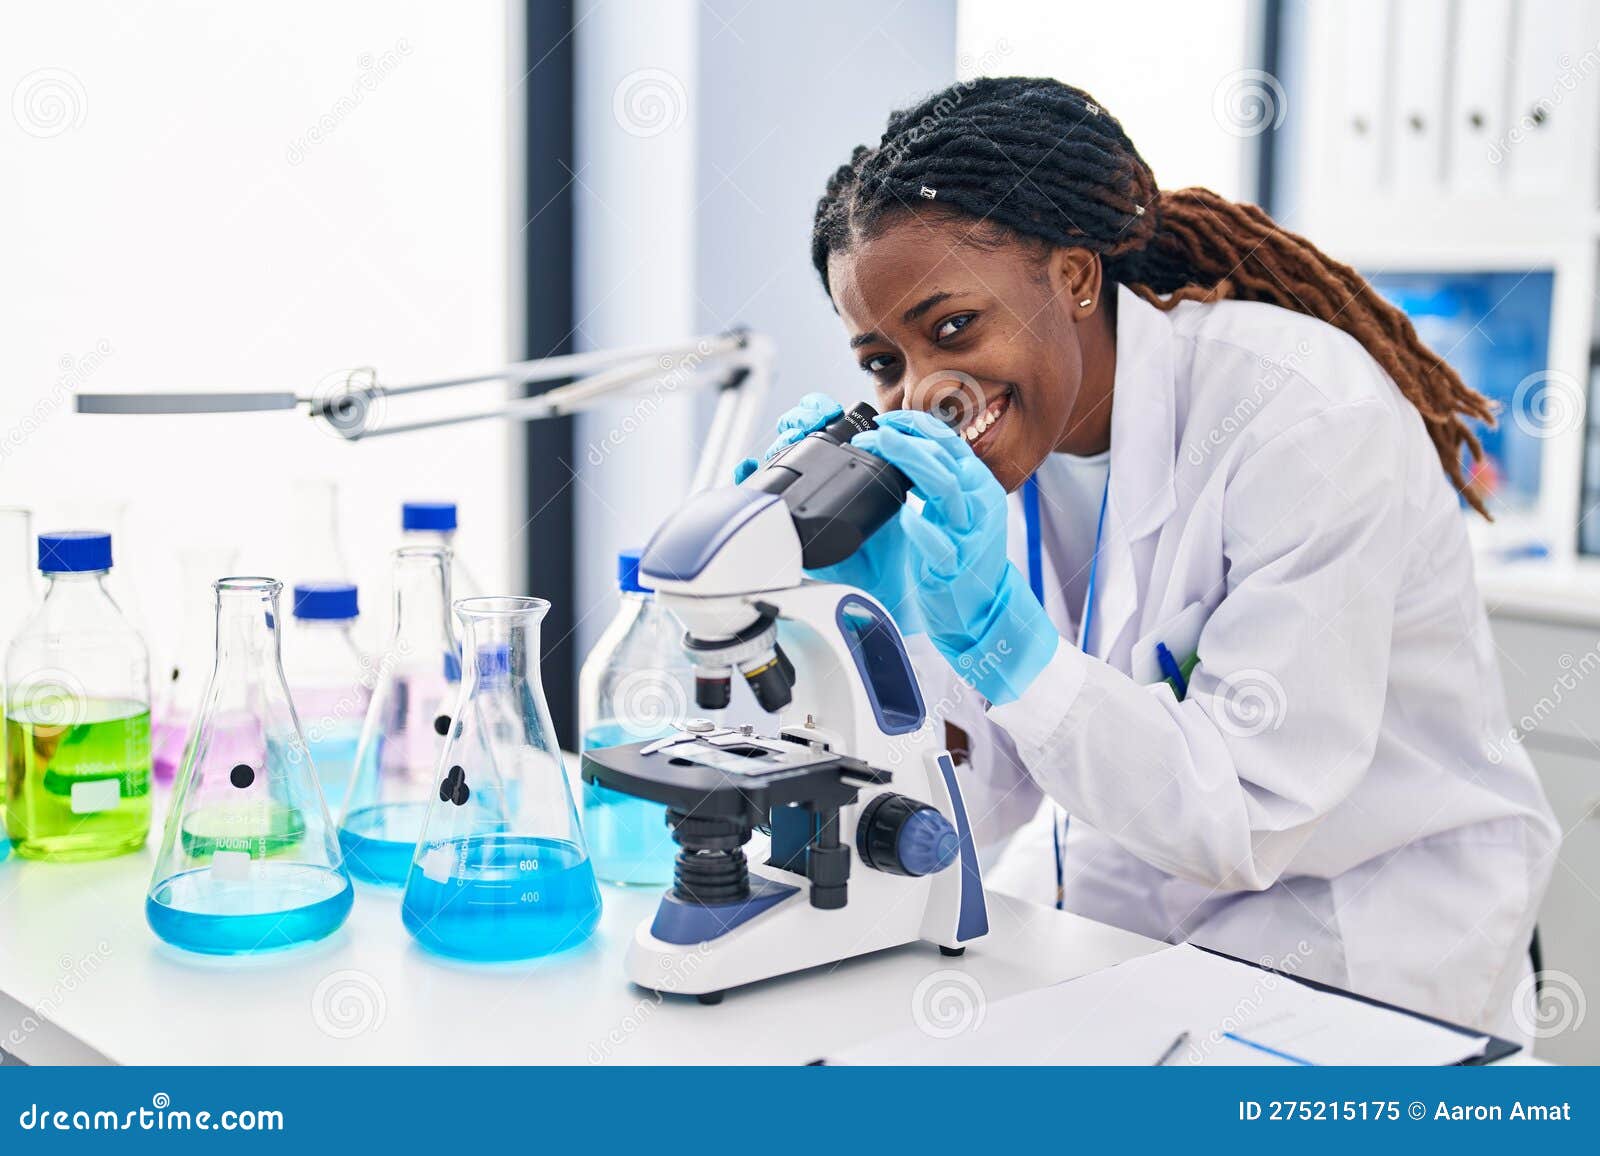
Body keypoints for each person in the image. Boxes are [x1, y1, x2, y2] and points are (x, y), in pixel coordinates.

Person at [740, 77, 1559, 1041]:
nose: (926, 391)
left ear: (1076, 277)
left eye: (953, 326)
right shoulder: (989, 466)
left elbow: (1247, 810)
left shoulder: (1301, 420)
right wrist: (879, 638)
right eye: (883, 362)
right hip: (1134, 913)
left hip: (1366, 941)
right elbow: (988, 796)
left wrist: (1012, 648)